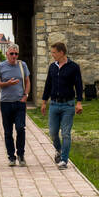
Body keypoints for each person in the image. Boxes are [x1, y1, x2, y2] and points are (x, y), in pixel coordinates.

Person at [39, 40, 83, 170]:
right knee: (52, 132)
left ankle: (64, 160)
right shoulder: (52, 67)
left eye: (54, 52)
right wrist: (43, 102)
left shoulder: (74, 67)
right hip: (54, 105)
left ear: (61, 52)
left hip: (68, 105)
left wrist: (79, 102)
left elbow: (79, 85)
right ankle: (59, 150)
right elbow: (48, 85)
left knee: (66, 134)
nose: (52, 55)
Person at [0, 44, 30, 167]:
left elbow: (27, 81)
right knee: (8, 132)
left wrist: (26, 95)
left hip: (19, 102)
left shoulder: (22, 65)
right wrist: (6, 83)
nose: (14, 56)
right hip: (6, 103)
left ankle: (21, 155)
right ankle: (11, 157)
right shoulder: (0, 66)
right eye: (11, 53)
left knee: (20, 128)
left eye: (16, 54)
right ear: (7, 54)